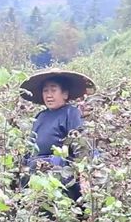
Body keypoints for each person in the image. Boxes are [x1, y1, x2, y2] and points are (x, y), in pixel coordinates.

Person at [18, 68, 96, 204]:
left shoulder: (71, 113)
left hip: (59, 175)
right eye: (45, 91)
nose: (49, 95)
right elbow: (30, 147)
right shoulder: (40, 117)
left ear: (65, 94)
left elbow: (81, 144)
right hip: (35, 174)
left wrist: (84, 177)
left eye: (53, 90)